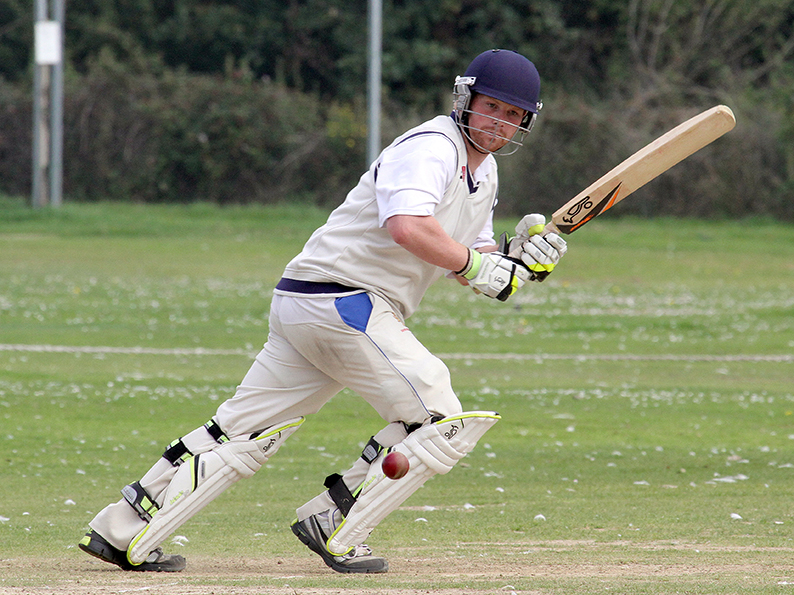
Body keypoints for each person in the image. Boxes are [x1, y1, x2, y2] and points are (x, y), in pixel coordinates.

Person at [78, 48, 568, 574]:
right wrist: (478, 266)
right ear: (466, 99)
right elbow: (409, 227)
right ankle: (335, 521)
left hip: (310, 301)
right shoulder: (433, 147)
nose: (501, 123)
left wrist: (518, 260)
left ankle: (121, 528)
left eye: (515, 115)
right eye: (494, 107)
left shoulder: (485, 174)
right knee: (439, 417)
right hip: (345, 301)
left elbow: (465, 257)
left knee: (236, 430)